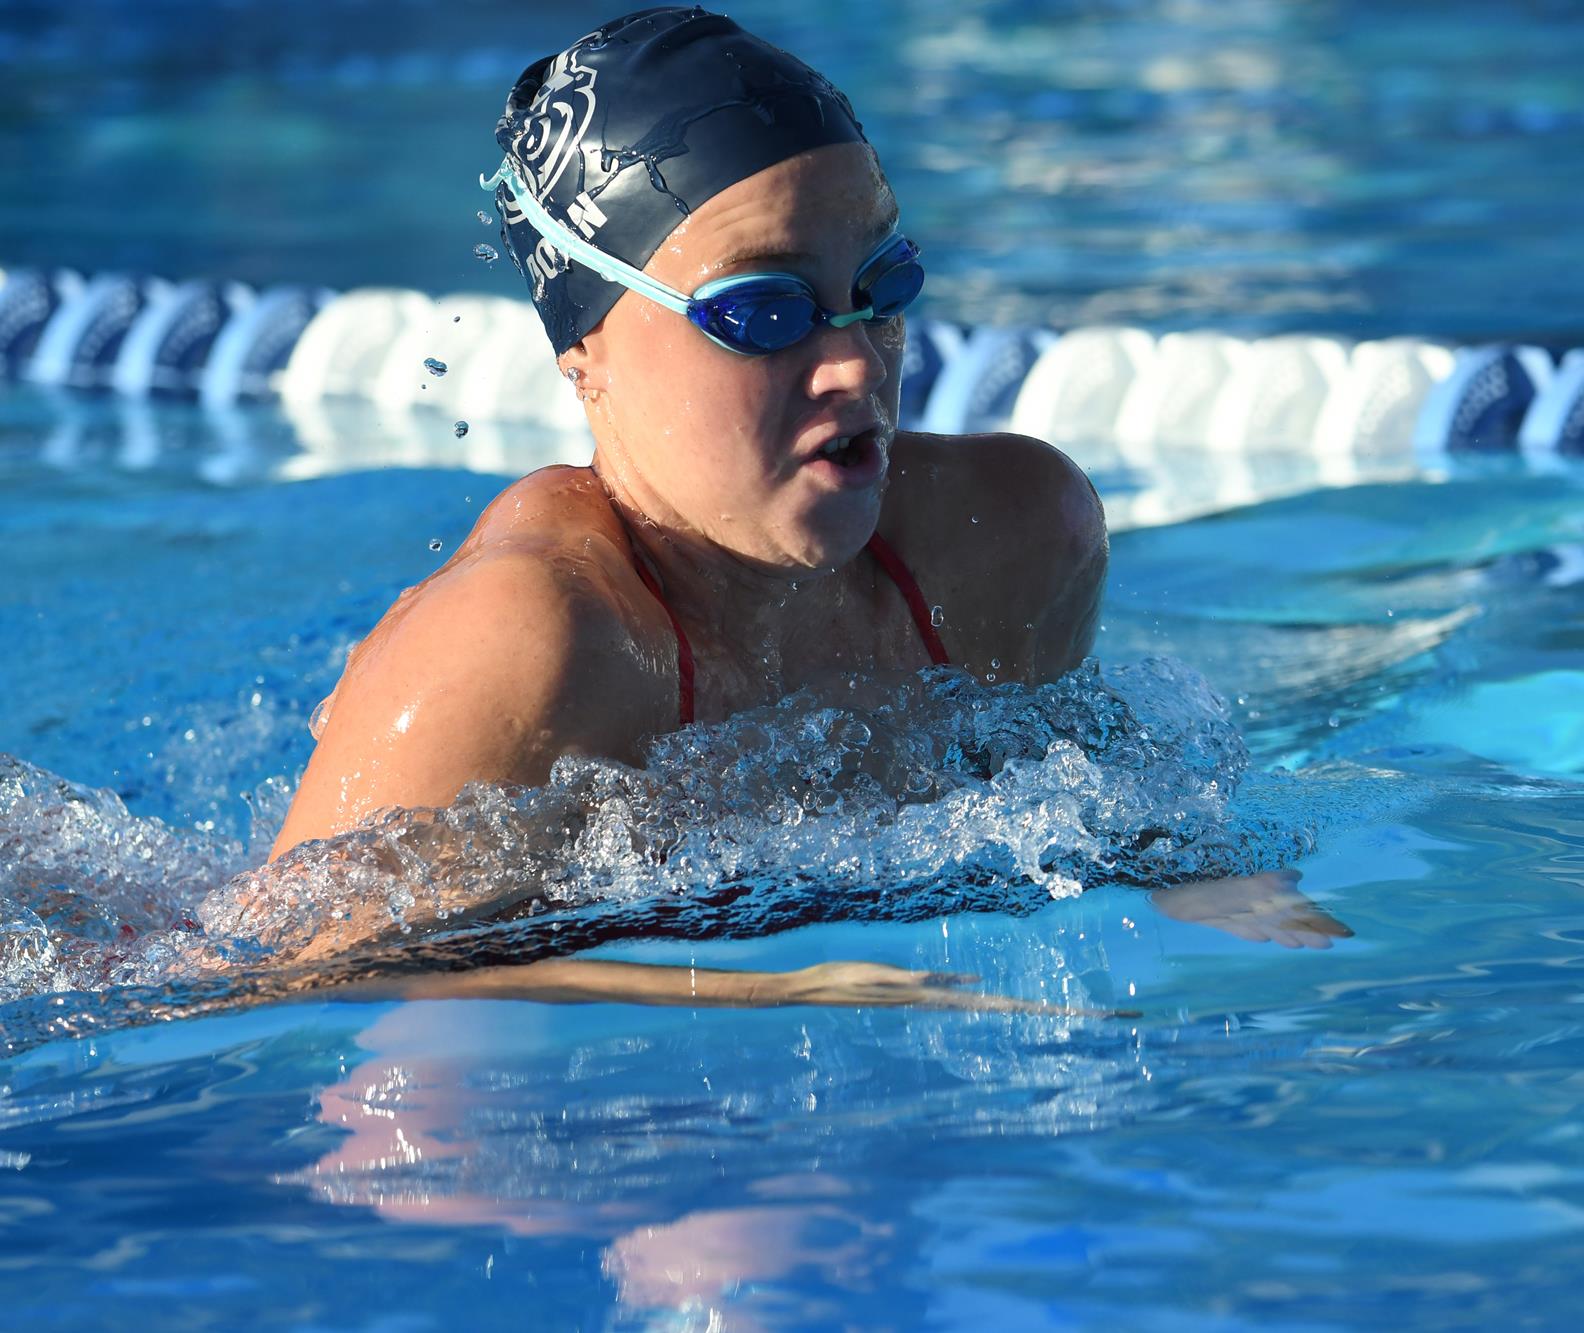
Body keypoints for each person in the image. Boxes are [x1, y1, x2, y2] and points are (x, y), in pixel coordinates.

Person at [262, 8, 1345, 1009]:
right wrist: (755, 993)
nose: (851, 364)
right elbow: (291, 981)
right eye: (761, 309)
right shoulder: (524, 644)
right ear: (584, 354)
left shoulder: (1010, 541)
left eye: (883, 287)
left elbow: (1095, 791)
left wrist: (1198, 876)